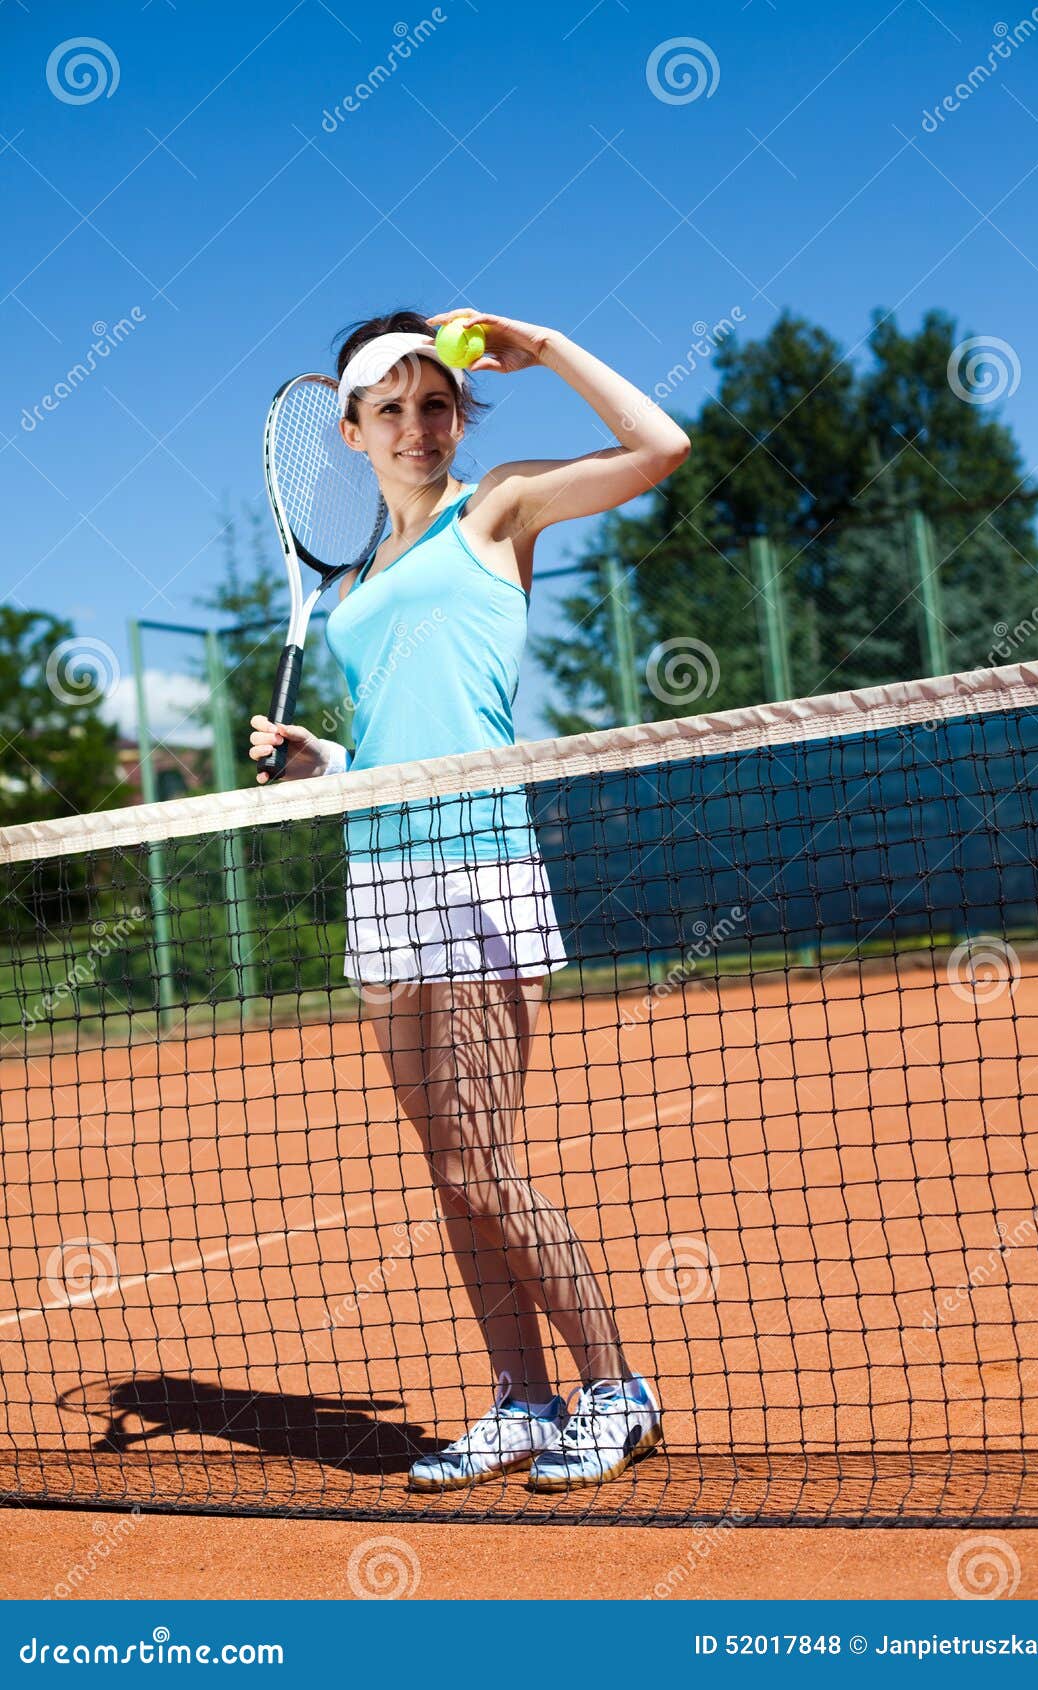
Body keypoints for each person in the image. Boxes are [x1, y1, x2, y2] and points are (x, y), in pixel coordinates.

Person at [250, 307, 690, 1492]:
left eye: (434, 403)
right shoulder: (359, 582)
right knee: (448, 1168)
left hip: (479, 862)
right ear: (349, 430)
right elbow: (404, 733)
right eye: (389, 408)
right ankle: (524, 1402)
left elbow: (660, 449)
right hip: (382, 873)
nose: (415, 425)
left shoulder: (493, 508)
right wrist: (319, 763)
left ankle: (613, 1388)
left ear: (459, 415)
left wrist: (537, 345)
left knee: (485, 1160)